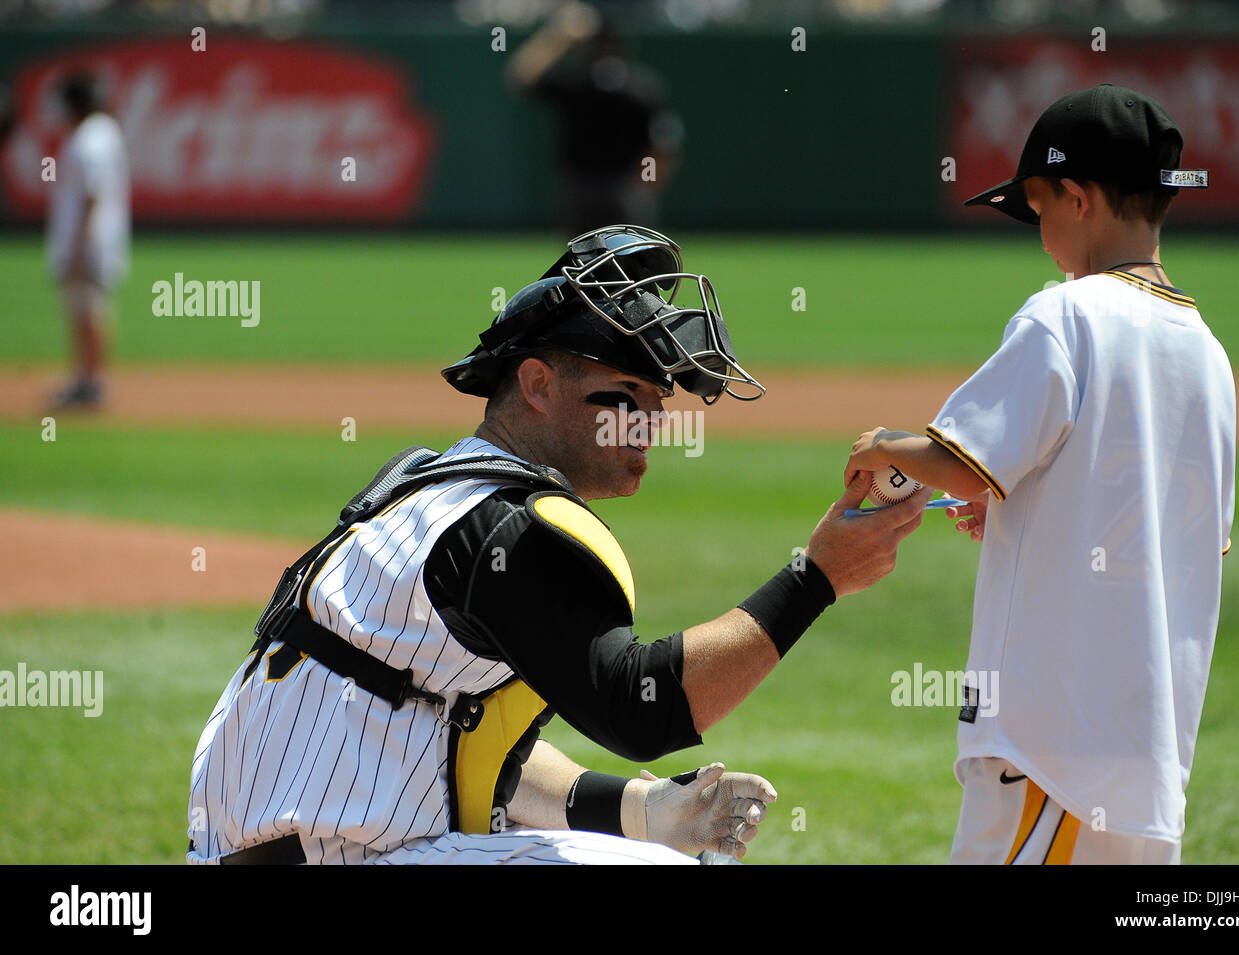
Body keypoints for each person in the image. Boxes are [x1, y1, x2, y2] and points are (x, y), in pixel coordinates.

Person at [188, 225, 927, 865]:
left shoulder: (427, 490)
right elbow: (642, 708)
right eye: (628, 394)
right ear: (538, 383)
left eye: (658, 402)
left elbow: (454, 745)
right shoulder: (515, 528)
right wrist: (819, 575)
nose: (649, 422)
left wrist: (642, 812)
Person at [843, 84, 1234, 864]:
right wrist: (1035, 507)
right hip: (1145, 747)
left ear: (1080, 199)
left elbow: (958, 457)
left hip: (1051, 745)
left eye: (1040, 207)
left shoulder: (1067, 312)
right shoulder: (1209, 354)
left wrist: (882, 444)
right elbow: (1163, 531)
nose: (1040, 235)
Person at [505, 3, 681, 235]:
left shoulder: (577, 84)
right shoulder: (641, 88)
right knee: (635, 264)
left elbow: (520, 76)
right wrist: (646, 187)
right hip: (623, 189)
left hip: (581, 189)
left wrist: (559, 36)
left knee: (583, 266)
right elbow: (663, 147)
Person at [45, 72, 130, 411]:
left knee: (89, 310)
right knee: (83, 309)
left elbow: (92, 194)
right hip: (94, 240)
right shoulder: (102, 132)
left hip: (89, 243)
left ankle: (92, 382)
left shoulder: (90, 139)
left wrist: (80, 246)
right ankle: (85, 377)